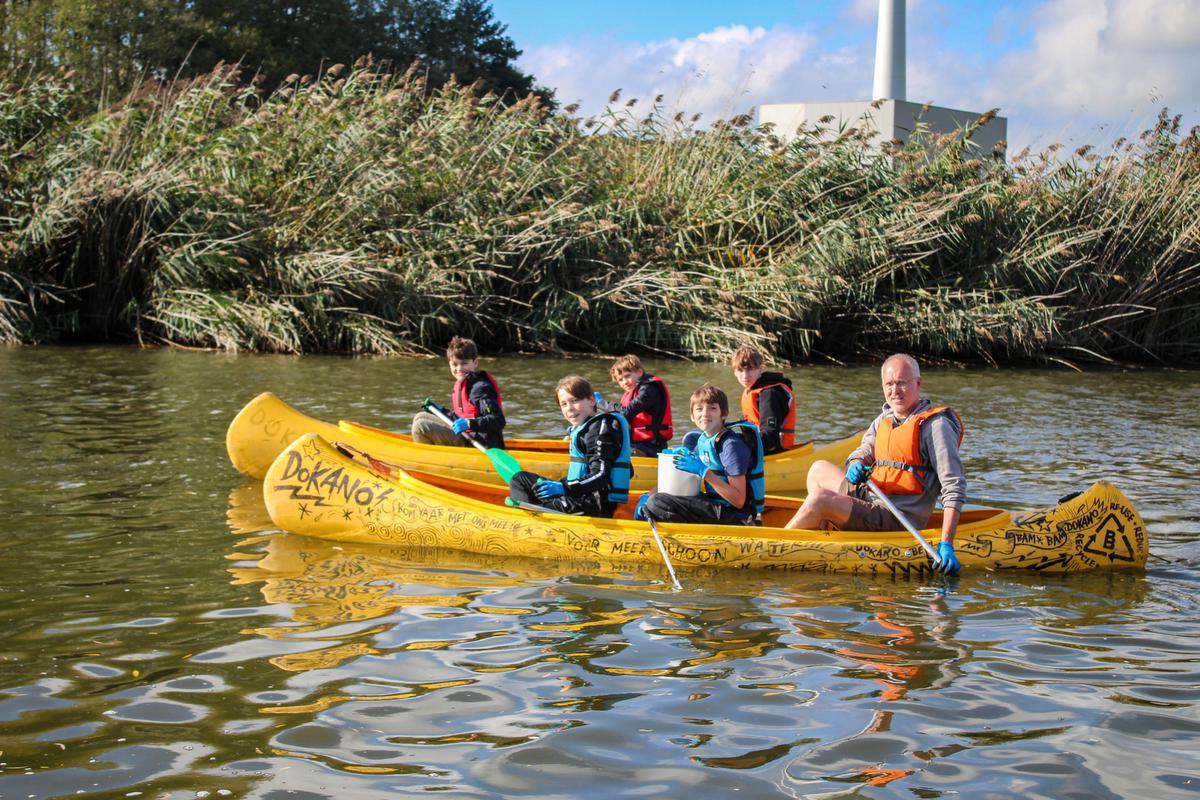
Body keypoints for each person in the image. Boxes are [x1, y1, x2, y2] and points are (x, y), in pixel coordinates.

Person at [784, 354, 965, 574]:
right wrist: (856, 462)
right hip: (873, 499)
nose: (895, 391)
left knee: (820, 500)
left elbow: (954, 486)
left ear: (918, 383)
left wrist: (947, 543)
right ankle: (824, 540)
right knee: (817, 470)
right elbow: (863, 450)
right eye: (889, 384)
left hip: (899, 518)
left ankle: (777, 548)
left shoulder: (936, 427)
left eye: (902, 383)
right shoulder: (884, 419)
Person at [639, 383, 764, 526]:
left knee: (657, 503)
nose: (705, 413)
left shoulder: (731, 445)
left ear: (723, 414)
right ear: (692, 416)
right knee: (656, 498)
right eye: (699, 409)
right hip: (717, 507)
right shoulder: (703, 441)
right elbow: (678, 479)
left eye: (712, 408)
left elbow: (739, 500)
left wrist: (704, 472)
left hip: (737, 517)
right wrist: (647, 495)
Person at [508, 375, 632, 518]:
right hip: (577, 495)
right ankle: (532, 515)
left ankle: (531, 522)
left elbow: (601, 475)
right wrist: (562, 484)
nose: (570, 409)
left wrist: (564, 487)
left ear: (592, 400)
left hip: (591, 505)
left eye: (574, 401)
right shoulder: (585, 427)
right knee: (520, 479)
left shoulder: (598, 431)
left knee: (532, 500)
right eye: (564, 404)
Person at [410, 336, 505, 449]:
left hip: (480, 444)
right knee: (420, 417)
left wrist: (470, 424)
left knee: (420, 426)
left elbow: (498, 420)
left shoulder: (480, 388)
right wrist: (440, 410)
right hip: (467, 436)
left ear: (475, 362)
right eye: (455, 364)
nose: (459, 368)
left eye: (464, 363)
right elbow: (461, 417)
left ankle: (427, 461)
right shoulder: (463, 383)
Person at [597, 354, 673, 457]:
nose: (625, 382)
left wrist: (601, 403)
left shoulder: (649, 390)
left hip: (651, 447)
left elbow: (625, 412)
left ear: (639, 372)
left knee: (612, 453)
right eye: (620, 379)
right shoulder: (632, 392)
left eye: (627, 376)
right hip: (637, 444)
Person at [731, 345, 796, 455]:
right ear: (735, 372)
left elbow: (770, 439)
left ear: (760, 370)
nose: (745, 376)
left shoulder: (770, 394)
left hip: (776, 450)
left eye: (750, 369)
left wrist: (738, 444)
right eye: (740, 370)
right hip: (759, 448)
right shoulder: (751, 391)